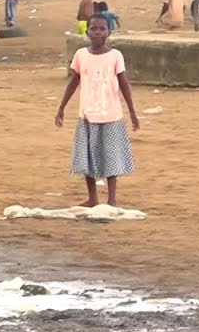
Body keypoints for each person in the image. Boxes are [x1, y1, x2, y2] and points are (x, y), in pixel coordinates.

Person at [55, 14, 140, 207]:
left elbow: (124, 84)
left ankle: (111, 200)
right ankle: (92, 198)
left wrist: (132, 112)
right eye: (94, 28)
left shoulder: (115, 56)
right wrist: (61, 107)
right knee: (87, 157)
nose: (97, 32)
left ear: (108, 32)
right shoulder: (80, 55)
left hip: (111, 115)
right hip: (87, 115)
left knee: (110, 158)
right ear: (87, 32)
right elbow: (74, 82)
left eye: (102, 28)